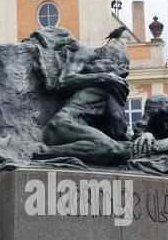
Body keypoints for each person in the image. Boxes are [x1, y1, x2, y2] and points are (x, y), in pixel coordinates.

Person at [31, 27, 133, 164]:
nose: (123, 76)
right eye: (123, 69)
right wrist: (106, 78)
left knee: (113, 147)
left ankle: (47, 152)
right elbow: (118, 129)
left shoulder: (99, 81)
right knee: (117, 150)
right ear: (117, 65)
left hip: (60, 128)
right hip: (63, 126)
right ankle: (44, 152)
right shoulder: (108, 79)